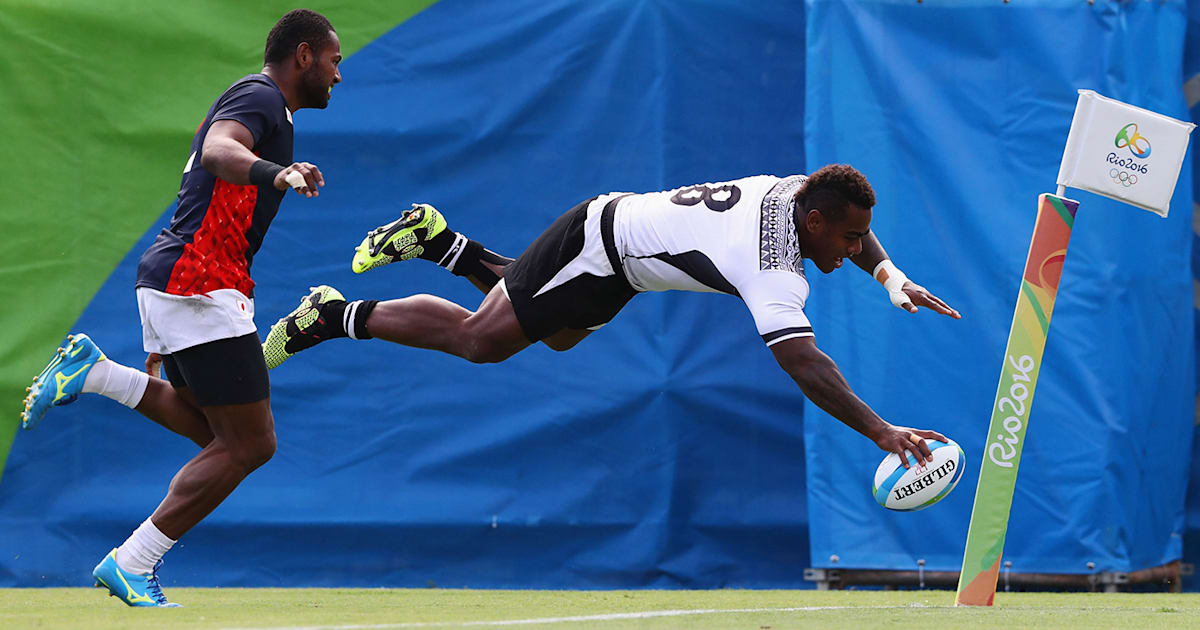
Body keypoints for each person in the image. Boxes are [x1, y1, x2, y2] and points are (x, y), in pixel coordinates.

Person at [262, 164, 961, 468]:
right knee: (484, 341)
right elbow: (804, 362)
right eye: (843, 240)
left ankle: (438, 241)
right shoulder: (774, 267)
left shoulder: (800, 193)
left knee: (555, 334)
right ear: (811, 221)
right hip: (600, 243)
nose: (851, 247)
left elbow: (852, 219)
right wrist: (880, 429)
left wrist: (889, 276)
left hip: (624, 263)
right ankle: (332, 314)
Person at [19, 9, 342, 607]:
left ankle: (97, 374)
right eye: (333, 60)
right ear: (303, 56)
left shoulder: (260, 102)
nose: (337, 75)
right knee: (251, 445)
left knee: (216, 434)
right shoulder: (262, 98)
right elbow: (220, 150)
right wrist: (276, 172)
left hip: (183, 279)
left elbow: (203, 178)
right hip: (199, 281)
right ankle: (131, 562)